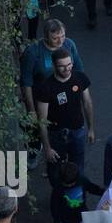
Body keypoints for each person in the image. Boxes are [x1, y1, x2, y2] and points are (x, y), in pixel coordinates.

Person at [33, 47, 95, 178]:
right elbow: (42, 120)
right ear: (54, 66)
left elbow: (87, 103)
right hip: (55, 134)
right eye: (62, 66)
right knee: (55, 172)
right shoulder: (45, 87)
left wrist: (91, 129)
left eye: (69, 65)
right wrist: (47, 148)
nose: (67, 69)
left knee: (78, 169)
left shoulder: (80, 78)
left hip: (78, 130)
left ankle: (77, 196)